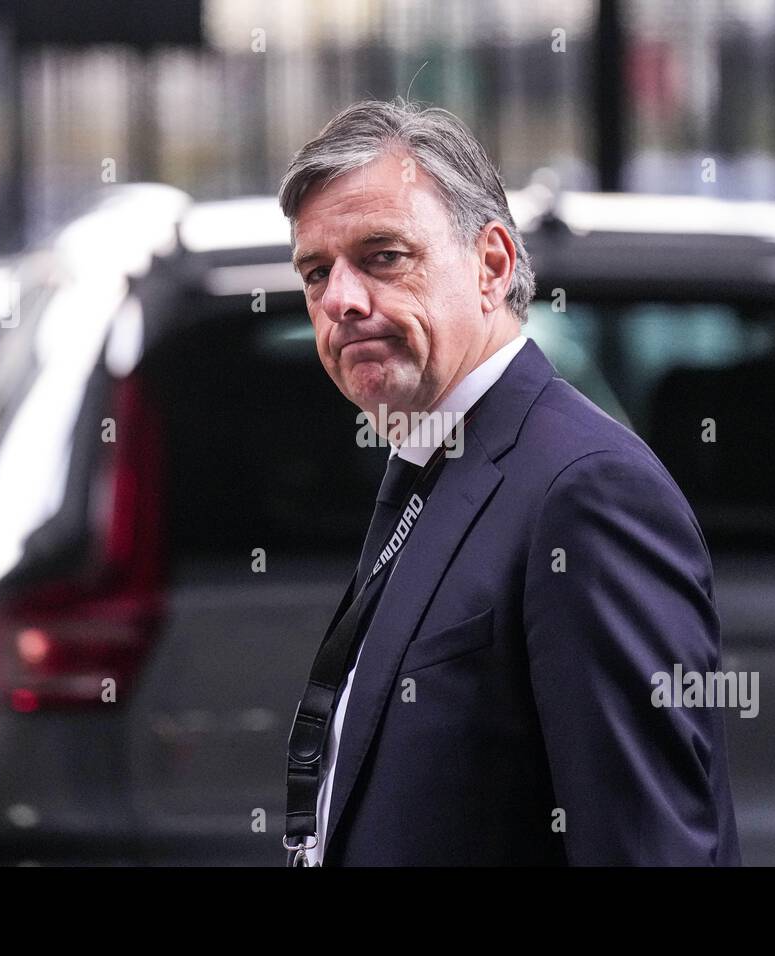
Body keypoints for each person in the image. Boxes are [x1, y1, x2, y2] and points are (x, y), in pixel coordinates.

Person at [279, 99, 741, 866]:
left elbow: (646, 849)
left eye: (383, 256)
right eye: (316, 272)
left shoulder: (586, 493)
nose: (341, 301)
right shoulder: (434, 458)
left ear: (492, 264)